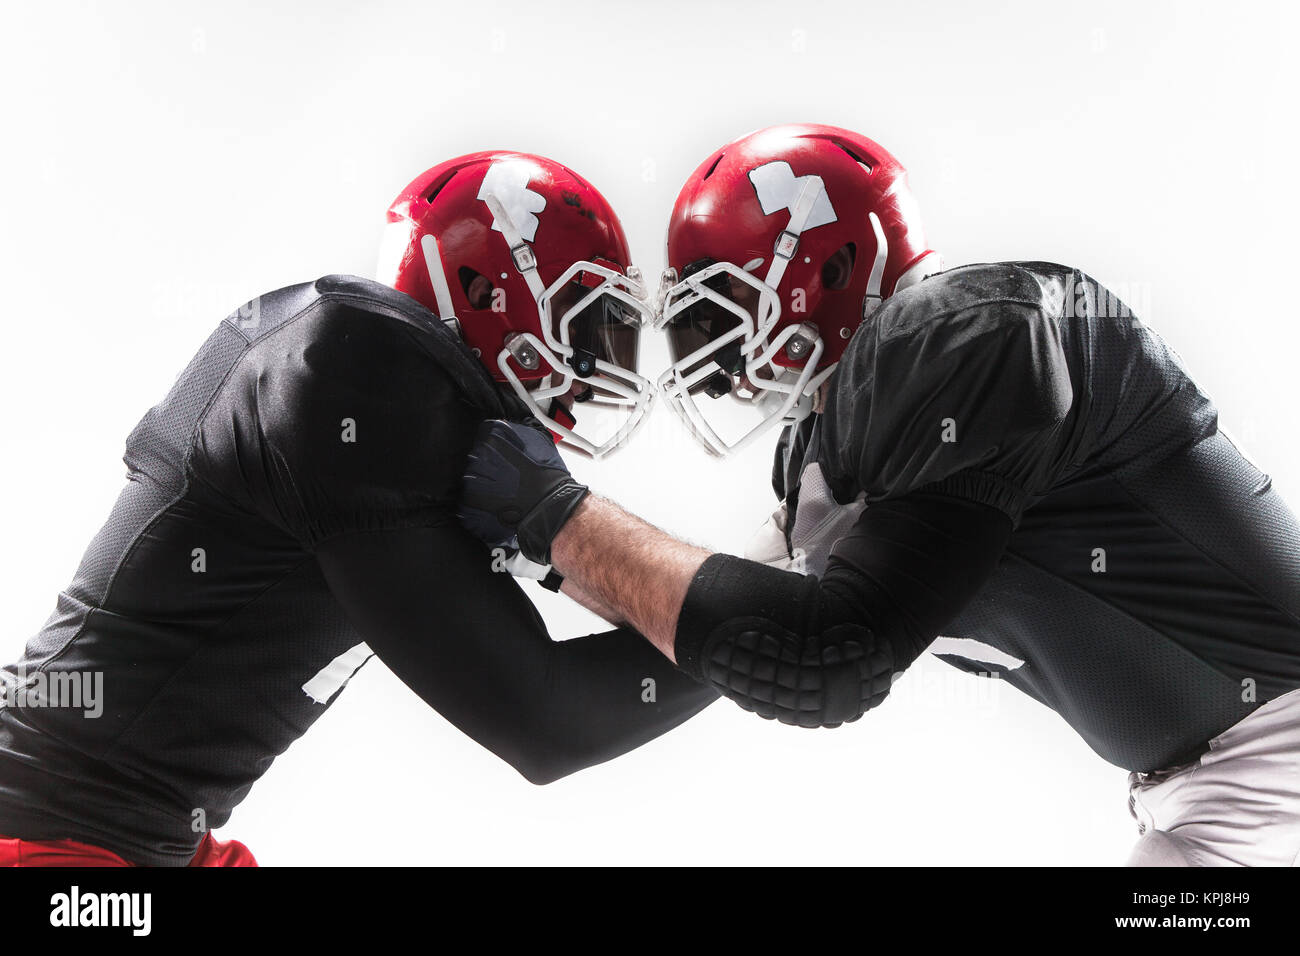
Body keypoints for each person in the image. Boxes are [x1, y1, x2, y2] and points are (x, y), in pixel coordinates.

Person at [458, 124, 1300, 866]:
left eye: (720, 312)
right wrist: (542, 554)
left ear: (828, 264)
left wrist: (555, 514)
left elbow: (824, 661)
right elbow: (720, 633)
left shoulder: (972, 328)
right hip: (1222, 817)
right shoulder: (838, 451)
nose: (712, 361)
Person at [0, 150, 714, 867]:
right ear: (484, 292)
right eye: (586, 325)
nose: (597, 365)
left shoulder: (393, 421)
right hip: (51, 838)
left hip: (146, 838)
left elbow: (633, 607)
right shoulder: (355, 377)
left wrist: (751, 601)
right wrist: (772, 626)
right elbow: (549, 722)